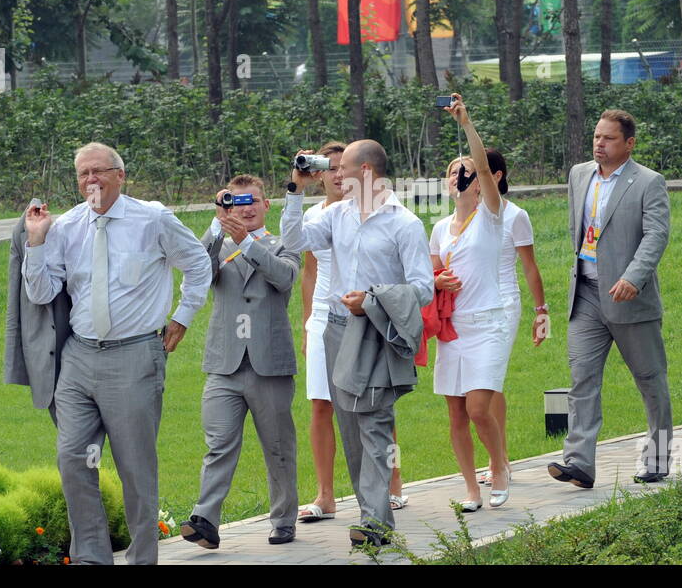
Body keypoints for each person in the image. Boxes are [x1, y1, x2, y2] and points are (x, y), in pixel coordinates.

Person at [22, 142, 211, 564]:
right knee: (74, 459)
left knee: (134, 466)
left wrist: (181, 316)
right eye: (83, 174)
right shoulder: (67, 227)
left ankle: (142, 558)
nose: (91, 180)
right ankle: (92, 557)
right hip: (78, 358)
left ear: (120, 176)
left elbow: (198, 263)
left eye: (99, 171)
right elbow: (41, 291)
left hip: (134, 358)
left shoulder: (153, 219)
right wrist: (36, 242)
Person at [283, 140, 434, 547]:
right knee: (350, 425)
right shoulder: (337, 215)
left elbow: (423, 288)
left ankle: (374, 520)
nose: (334, 175)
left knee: (375, 423)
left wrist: (372, 301)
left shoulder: (404, 223)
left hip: (377, 331)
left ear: (365, 171)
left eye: (341, 167)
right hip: (335, 329)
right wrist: (294, 191)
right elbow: (293, 242)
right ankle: (374, 517)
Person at [548, 109, 673, 487]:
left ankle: (658, 459)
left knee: (650, 381)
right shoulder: (579, 174)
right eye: (597, 137)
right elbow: (578, 228)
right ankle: (580, 463)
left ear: (629, 144)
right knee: (582, 379)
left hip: (628, 298)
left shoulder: (649, 182)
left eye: (609, 139)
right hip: (585, 294)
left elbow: (656, 235)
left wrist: (634, 276)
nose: (599, 144)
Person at [180, 175, 299, 550]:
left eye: (254, 201)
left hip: (270, 364)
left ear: (267, 205)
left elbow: (283, 278)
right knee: (219, 444)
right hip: (225, 365)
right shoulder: (218, 245)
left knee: (278, 447)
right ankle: (205, 519)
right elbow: (200, 271)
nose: (245, 208)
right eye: (236, 202)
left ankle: (283, 520)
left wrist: (247, 242)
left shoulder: (283, 244)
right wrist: (217, 222)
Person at [429, 97, 510, 510]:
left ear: (479, 181)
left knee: (480, 408)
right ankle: (471, 490)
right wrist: (437, 279)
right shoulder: (440, 228)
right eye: (452, 172)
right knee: (457, 415)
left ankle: (499, 466)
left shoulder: (492, 214)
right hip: (453, 330)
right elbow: (429, 275)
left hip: (487, 324)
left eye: (467, 171)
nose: (460, 175)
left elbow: (480, 160)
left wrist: (466, 123)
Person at [475, 148, 548, 488]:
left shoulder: (515, 215)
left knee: (491, 381)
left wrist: (541, 312)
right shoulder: (467, 215)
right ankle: (498, 457)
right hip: (472, 304)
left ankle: (499, 459)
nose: (467, 179)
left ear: (497, 176)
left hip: (504, 302)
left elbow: (530, 267)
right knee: (482, 382)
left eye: (476, 172)